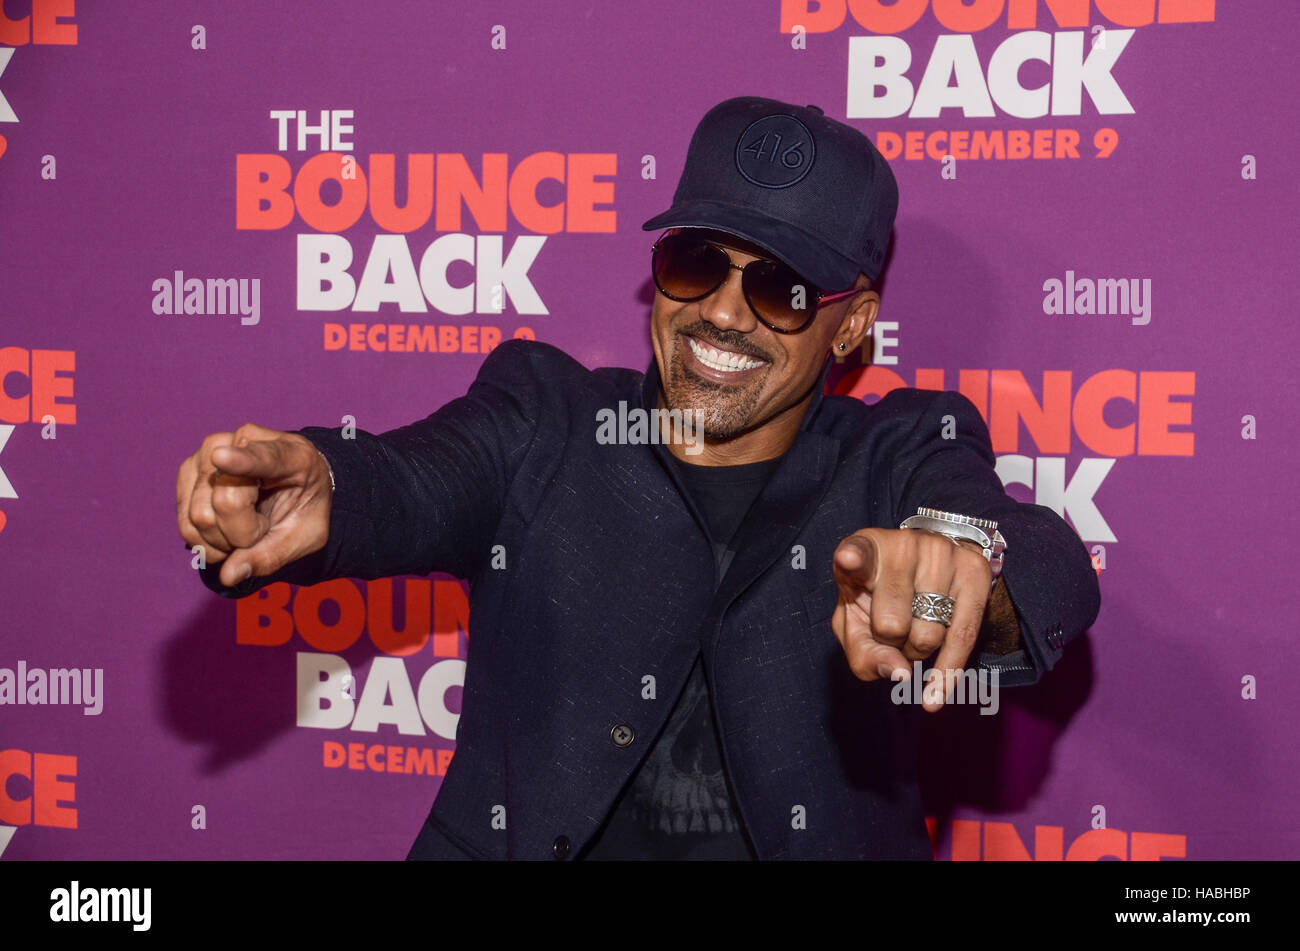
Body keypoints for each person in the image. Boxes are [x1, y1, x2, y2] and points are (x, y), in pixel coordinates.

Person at [176, 96, 1100, 860]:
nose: (725, 313)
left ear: (852, 326)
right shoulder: (545, 415)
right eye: (696, 262)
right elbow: (410, 479)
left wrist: (961, 564)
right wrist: (326, 486)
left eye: (779, 288)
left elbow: (1041, 561)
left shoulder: (898, 452)